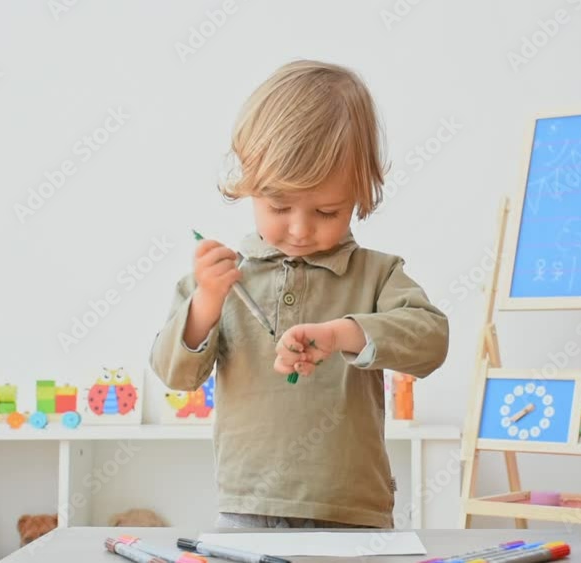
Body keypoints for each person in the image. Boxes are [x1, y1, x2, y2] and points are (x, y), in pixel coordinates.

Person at [149, 59, 449, 529]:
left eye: (327, 210)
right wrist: (206, 304)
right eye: (278, 205)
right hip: (245, 507)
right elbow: (175, 373)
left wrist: (341, 334)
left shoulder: (376, 273)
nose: (300, 228)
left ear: (360, 194)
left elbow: (431, 342)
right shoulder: (221, 278)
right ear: (249, 183)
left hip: (353, 514)